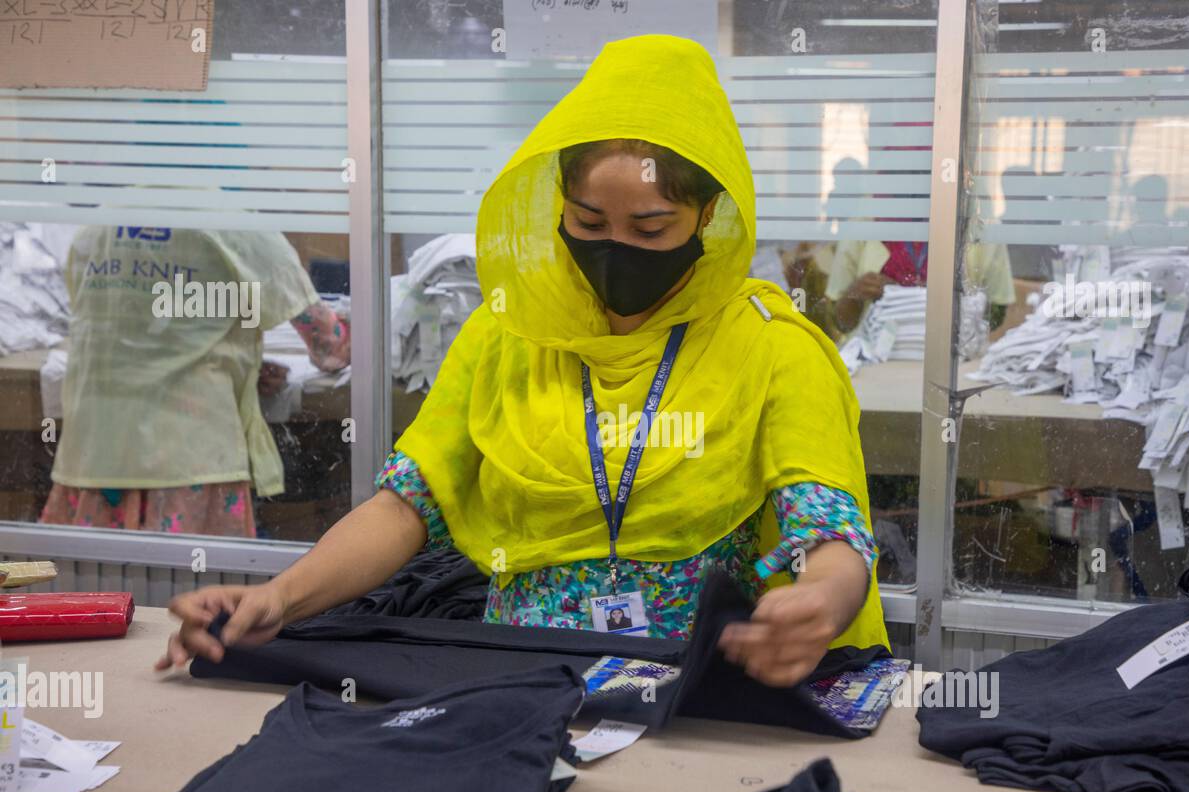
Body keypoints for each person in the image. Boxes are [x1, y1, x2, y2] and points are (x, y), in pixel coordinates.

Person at [160, 35, 887, 688]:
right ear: (558, 207)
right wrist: (279, 598)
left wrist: (818, 597)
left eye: (651, 226)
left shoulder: (768, 345)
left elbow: (827, 531)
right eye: (589, 222)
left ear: (708, 215)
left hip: (686, 692)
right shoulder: (512, 332)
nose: (616, 247)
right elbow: (411, 503)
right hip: (509, 678)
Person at [41, 227, 349, 536]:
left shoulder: (96, 231)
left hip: (96, 458)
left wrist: (236, 359)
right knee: (194, 581)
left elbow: (129, 333)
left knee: (99, 579)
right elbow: (329, 348)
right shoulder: (236, 228)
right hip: (189, 464)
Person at [825, 238, 1016, 334]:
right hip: (876, 364)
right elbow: (839, 323)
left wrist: (964, 300)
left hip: (954, 366)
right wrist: (856, 293)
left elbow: (995, 316)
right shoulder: (866, 220)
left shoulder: (979, 222)